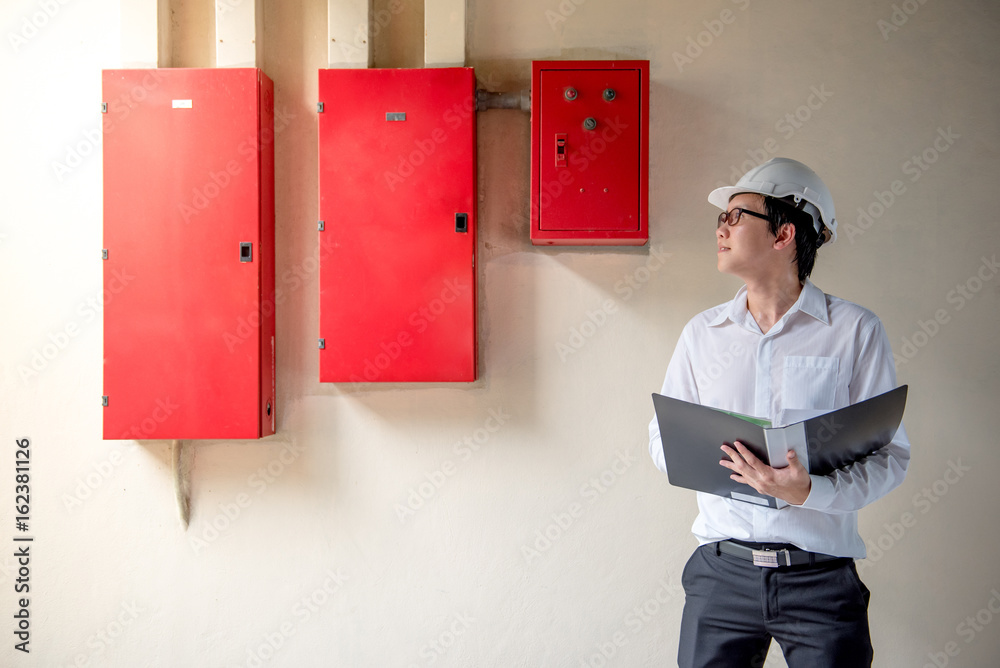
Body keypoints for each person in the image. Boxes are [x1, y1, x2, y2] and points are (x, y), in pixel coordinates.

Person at [648, 158, 910, 668]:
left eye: (736, 216)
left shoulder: (855, 331)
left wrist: (810, 491)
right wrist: (730, 470)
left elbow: (889, 456)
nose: (721, 228)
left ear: (784, 233)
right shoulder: (702, 334)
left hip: (822, 579)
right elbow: (662, 438)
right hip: (721, 576)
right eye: (720, 219)